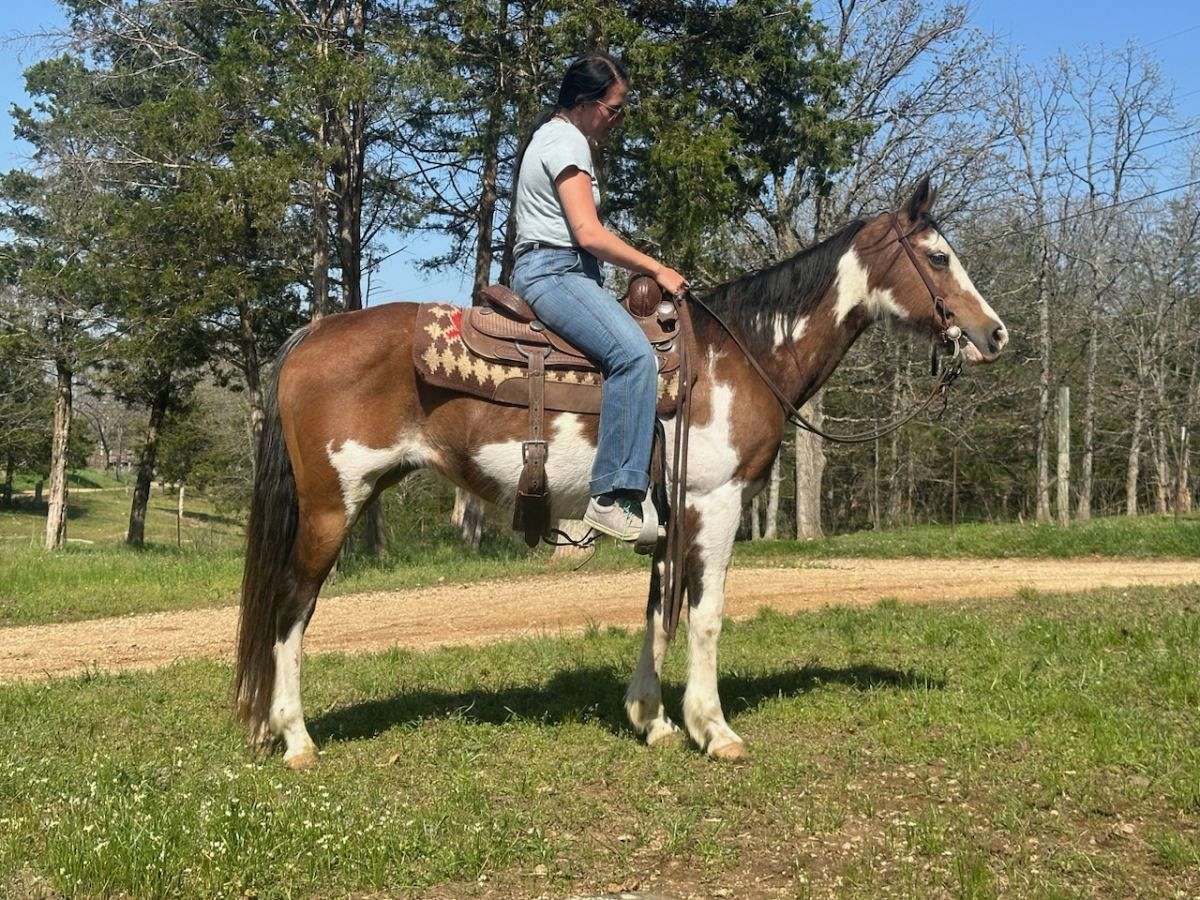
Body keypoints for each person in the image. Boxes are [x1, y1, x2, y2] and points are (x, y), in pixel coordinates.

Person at [510, 52, 689, 543]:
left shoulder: (549, 136)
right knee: (634, 357)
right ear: (586, 104)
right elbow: (588, 234)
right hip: (555, 270)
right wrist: (657, 268)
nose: (617, 120)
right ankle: (612, 496)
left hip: (554, 267)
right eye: (615, 109)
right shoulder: (568, 141)